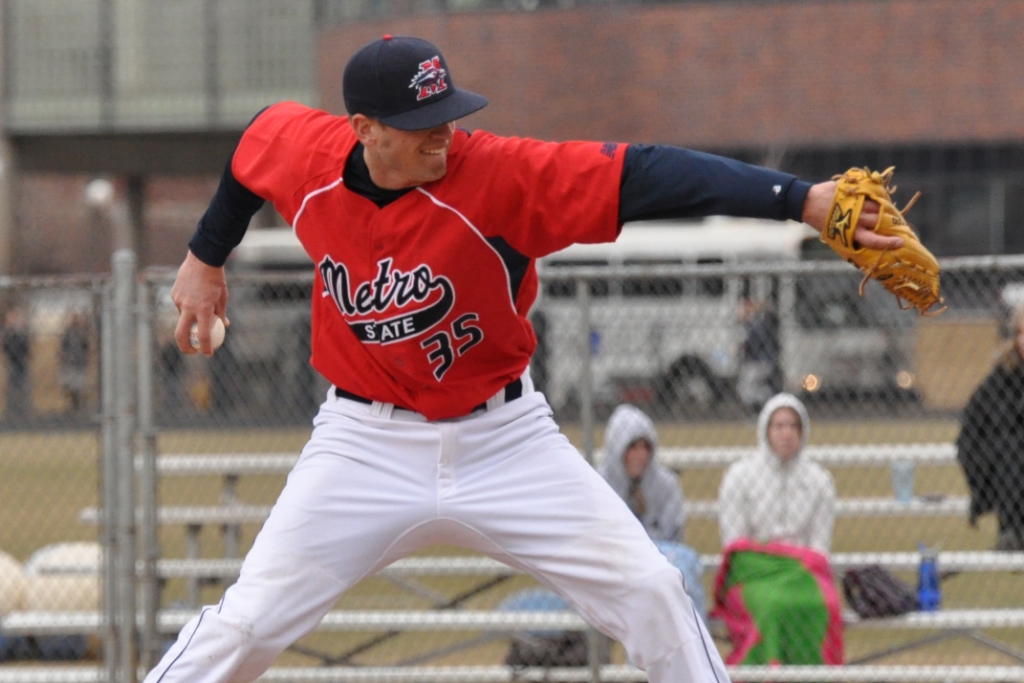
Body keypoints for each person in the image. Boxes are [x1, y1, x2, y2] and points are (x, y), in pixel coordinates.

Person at [151, 35, 899, 683]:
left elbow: (644, 174)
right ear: (363, 129)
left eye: (446, 116)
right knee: (244, 627)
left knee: (654, 591)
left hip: (505, 440)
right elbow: (254, 144)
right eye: (418, 126)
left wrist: (798, 198)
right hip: (362, 443)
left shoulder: (498, 175)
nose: (441, 135)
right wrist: (205, 256)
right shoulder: (308, 157)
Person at [713, 392, 843, 666]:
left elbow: (819, 549)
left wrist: (793, 565)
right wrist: (778, 558)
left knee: (825, 604)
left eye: (794, 426)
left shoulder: (819, 481)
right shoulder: (740, 476)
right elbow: (735, 545)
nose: (787, 434)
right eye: (779, 426)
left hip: (802, 574)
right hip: (754, 575)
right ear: (766, 430)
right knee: (772, 606)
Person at [599, 403, 707, 617]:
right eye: (632, 447)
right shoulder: (599, 484)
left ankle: (694, 642)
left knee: (685, 568)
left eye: (645, 447)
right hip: (613, 568)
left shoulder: (666, 484)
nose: (641, 455)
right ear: (617, 449)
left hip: (659, 562)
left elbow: (675, 537)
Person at [956, 304, 1024, 551]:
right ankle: (1013, 529)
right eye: (1022, 333)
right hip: (1008, 474)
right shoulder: (1000, 379)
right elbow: (970, 435)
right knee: (1009, 445)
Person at [1, 307, 31, 421]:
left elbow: (27, 348)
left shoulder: (23, 332)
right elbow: (5, 347)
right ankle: (11, 410)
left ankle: (23, 410)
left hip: (22, 362)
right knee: (11, 386)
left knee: (23, 386)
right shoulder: (8, 333)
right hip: (12, 362)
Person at [59, 312, 91, 413]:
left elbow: (86, 347)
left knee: (79, 385)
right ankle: (70, 404)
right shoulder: (68, 332)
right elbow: (63, 346)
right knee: (69, 384)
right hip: (70, 362)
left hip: (79, 362)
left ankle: (78, 404)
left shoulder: (83, 333)